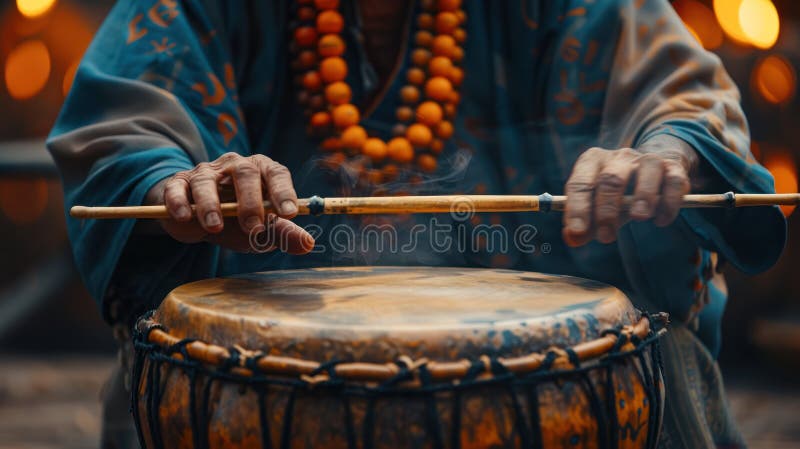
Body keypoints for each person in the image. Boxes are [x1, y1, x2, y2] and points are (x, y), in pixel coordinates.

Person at [48, 0, 786, 448]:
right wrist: (178, 186)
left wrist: (664, 156)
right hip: (247, 376)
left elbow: (678, 94)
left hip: (556, 369)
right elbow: (128, 125)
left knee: (664, 346)